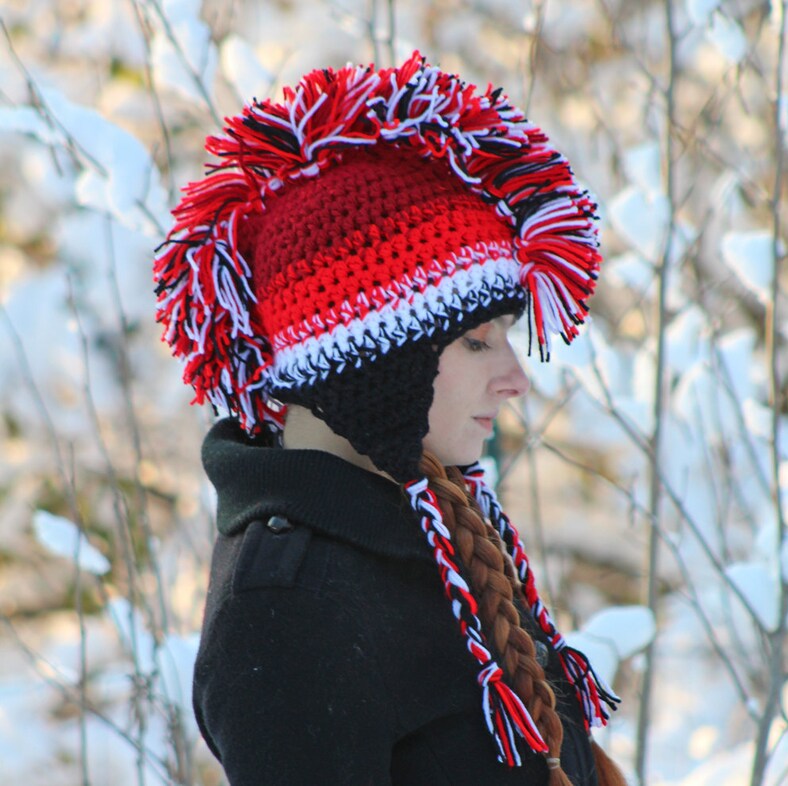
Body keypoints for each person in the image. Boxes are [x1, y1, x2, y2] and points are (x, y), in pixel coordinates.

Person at [154, 51, 626, 785]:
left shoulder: (433, 526)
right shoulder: (289, 613)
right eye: (477, 341)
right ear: (374, 365)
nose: (514, 381)